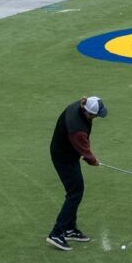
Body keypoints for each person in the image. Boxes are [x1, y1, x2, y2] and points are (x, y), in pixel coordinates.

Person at [47, 95, 107, 251]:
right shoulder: (78, 129)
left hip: (68, 153)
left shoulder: (80, 105)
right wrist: (93, 160)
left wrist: (88, 157)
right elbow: (84, 150)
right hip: (63, 158)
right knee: (75, 192)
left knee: (75, 190)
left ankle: (69, 229)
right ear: (89, 113)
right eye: (96, 115)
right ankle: (56, 233)